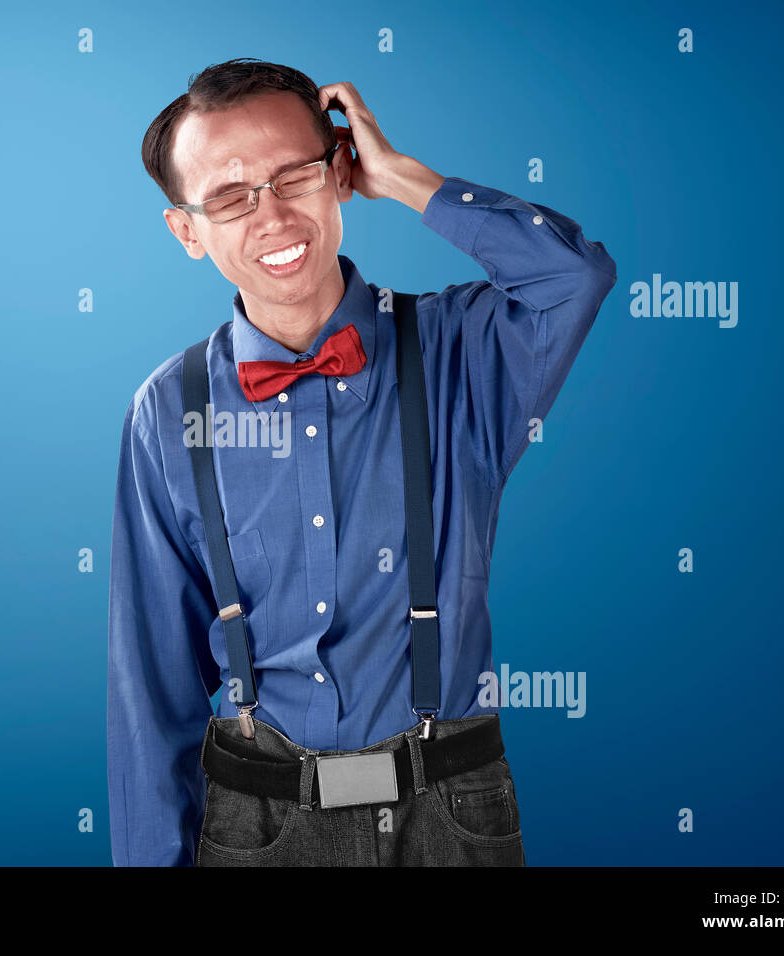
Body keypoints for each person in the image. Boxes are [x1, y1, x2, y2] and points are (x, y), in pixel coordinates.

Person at [108, 58, 617, 866]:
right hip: (257, 828)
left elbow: (574, 276)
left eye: (294, 176)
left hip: (452, 818)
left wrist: (411, 180)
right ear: (188, 232)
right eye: (232, 197)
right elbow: (151, 689)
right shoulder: (169, 412)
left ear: (340, 170)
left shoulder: (461, 352)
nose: (271, 215)